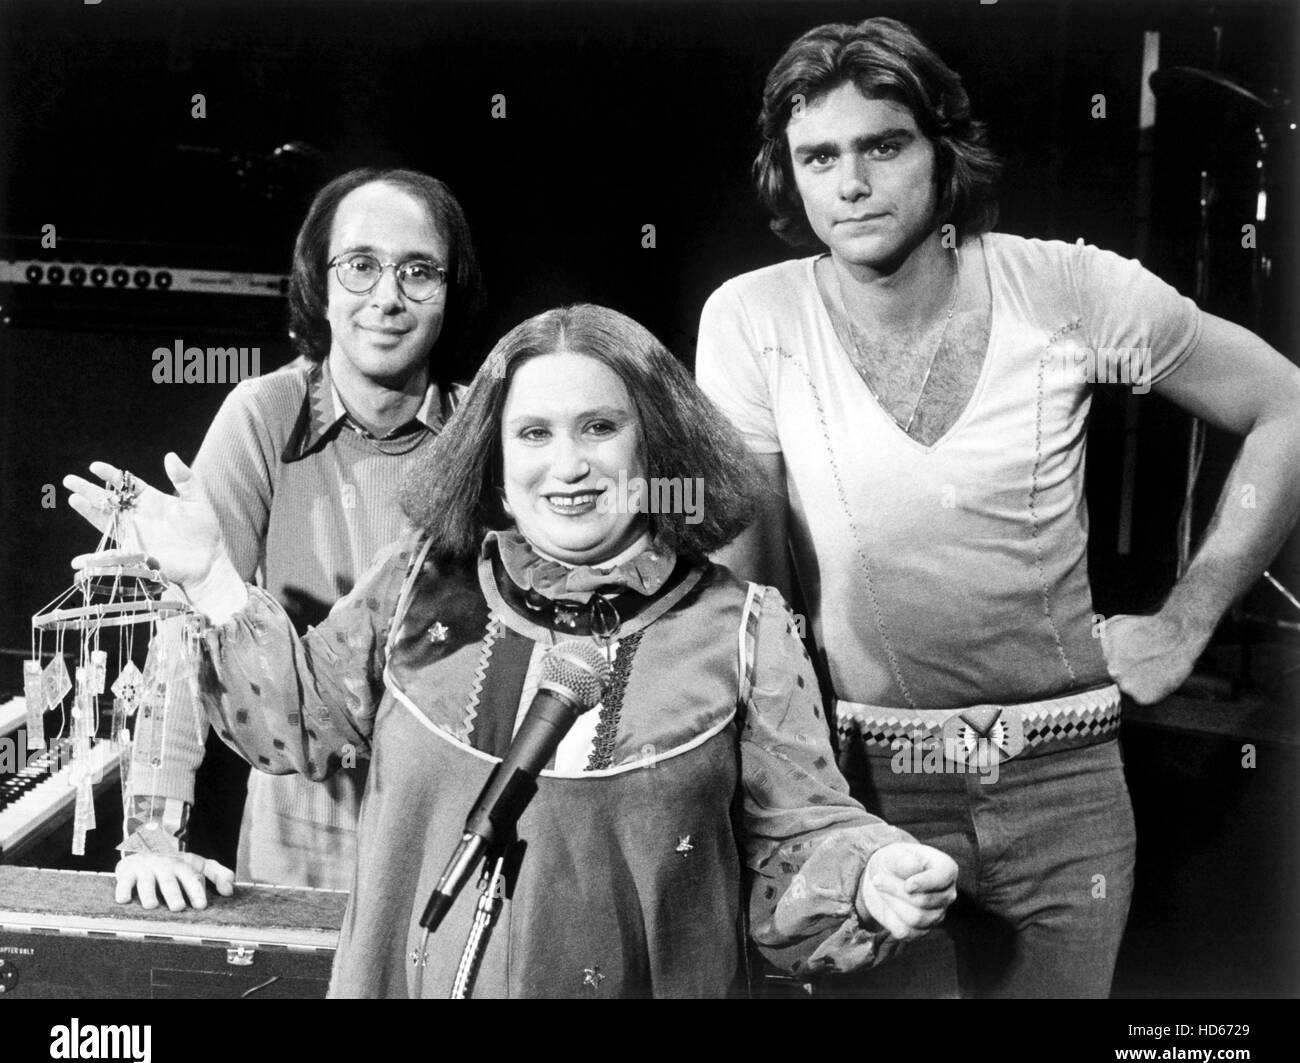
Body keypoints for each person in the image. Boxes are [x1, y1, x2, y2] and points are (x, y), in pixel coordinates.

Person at [64, 303, 958, 998]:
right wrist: (216, 583)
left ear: (658, 443)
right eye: (533, 434)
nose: (566, 464)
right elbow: (296, 731)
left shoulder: (744, 628)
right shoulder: (418, 582)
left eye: (600, 429)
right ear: (493, 461)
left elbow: (798, 844)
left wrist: (868, 877)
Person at [695, 17, 1300, 997]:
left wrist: (1187, 619)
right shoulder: (752, 318)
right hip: (862, 788)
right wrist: (790, 793)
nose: (849, 183)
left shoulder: (1064, 287)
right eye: (817, 156)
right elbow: (747, 594)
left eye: (881, 145)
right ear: (788, 174)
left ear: (942, 150)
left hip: (1063, 781)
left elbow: (1284, 406)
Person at [114, 168, 486, 907]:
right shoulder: (263, 413)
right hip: (302, 839)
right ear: (319, 281)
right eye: (361, 266)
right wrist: (153, 833)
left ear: (451, 289)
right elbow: (182, 625)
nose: (388, 296)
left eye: (419, 272)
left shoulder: (488, 429)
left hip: (462, 837)